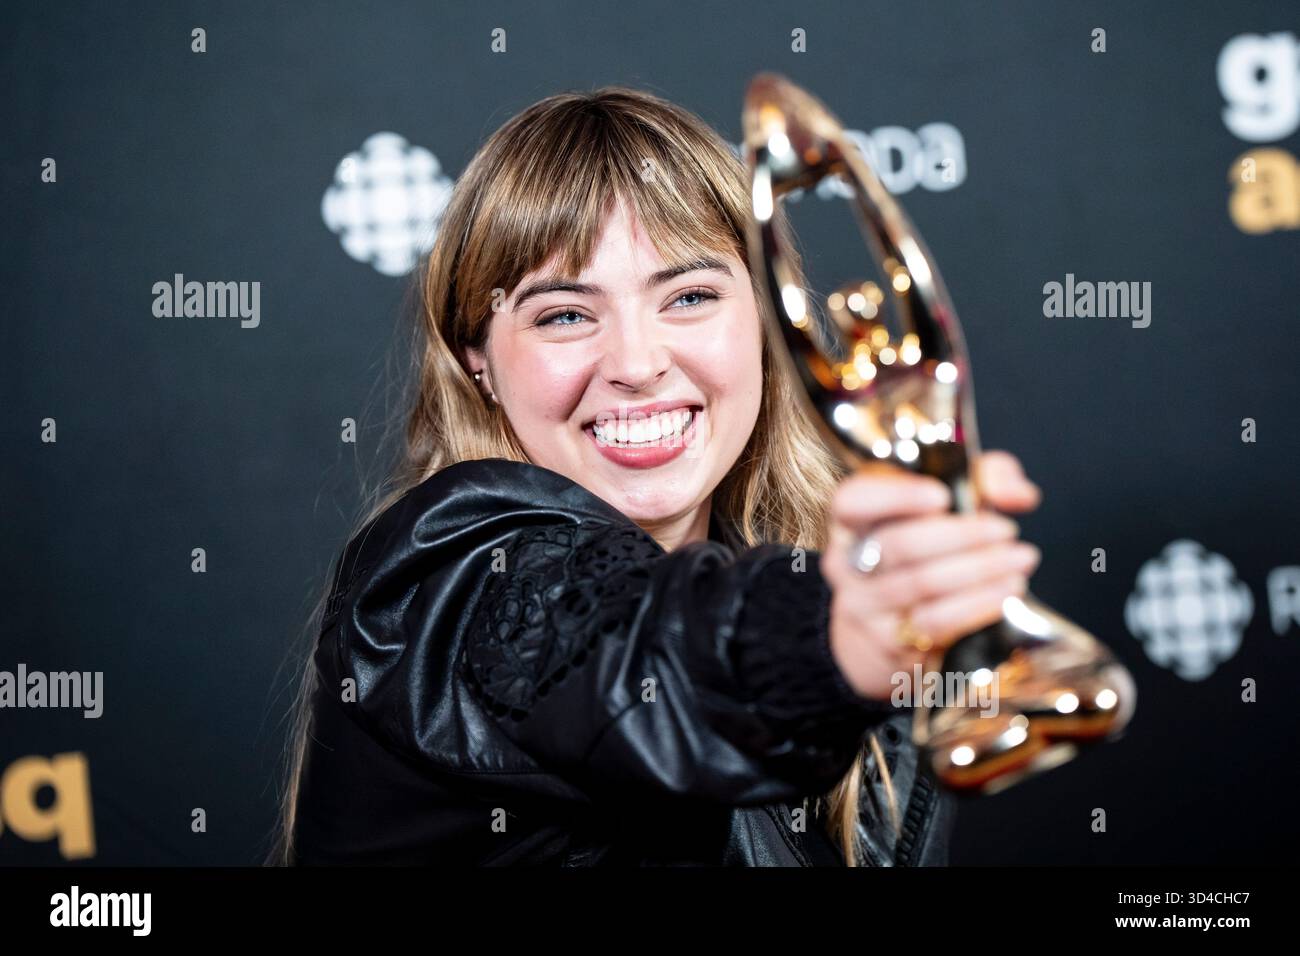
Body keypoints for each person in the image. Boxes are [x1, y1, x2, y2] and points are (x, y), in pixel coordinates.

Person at [272, 86, 1042, 866]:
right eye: (565, 315)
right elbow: (612, 654)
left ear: (770, 325)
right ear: (480, 363)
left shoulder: (812, 577)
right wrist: (831, 637)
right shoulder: (447, 572)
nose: (638, 365)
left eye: (691, 296)